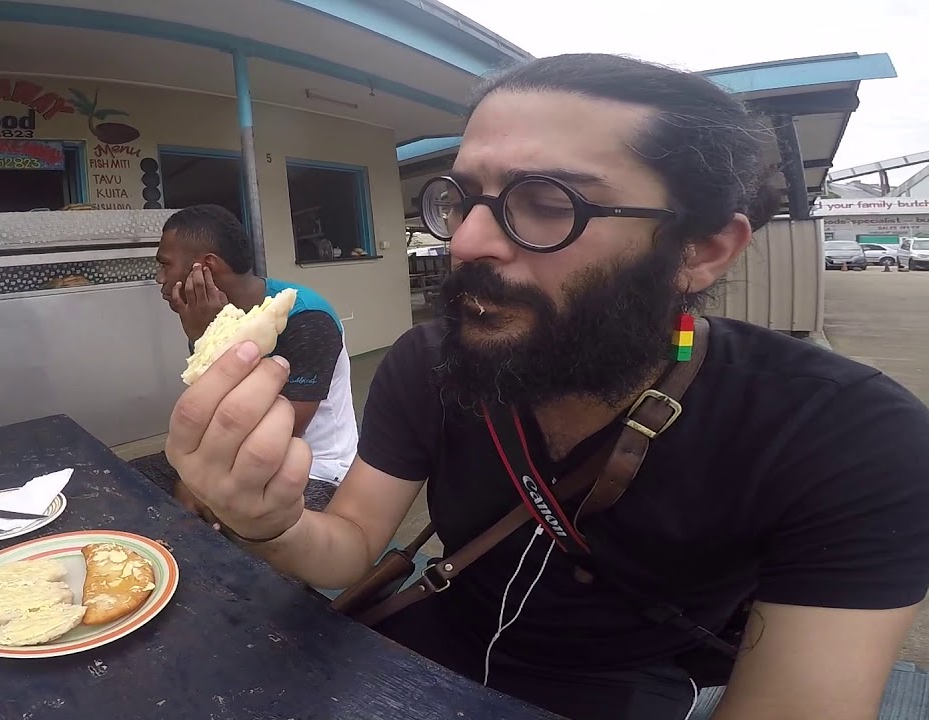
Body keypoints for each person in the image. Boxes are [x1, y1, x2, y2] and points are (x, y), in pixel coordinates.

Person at [161, 54, 929, 720]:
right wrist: (269, 522)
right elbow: (353, 544)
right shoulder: (427, 364)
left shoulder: (843, 437)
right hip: (424, 650)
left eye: (550, 202)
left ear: (700, 251)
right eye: (463, 200)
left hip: (631, 688)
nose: (466, 242)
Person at [152, 204, 358, 514]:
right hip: (232, 454)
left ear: (206, 267)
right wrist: (205, 334)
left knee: (223, 540)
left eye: (166, 265)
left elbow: (277, 434)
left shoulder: (307, 319)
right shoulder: (211, 315)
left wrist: (196, 483)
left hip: (313, 469)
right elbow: (208, 406)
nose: (160, 278)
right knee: (128, 483)